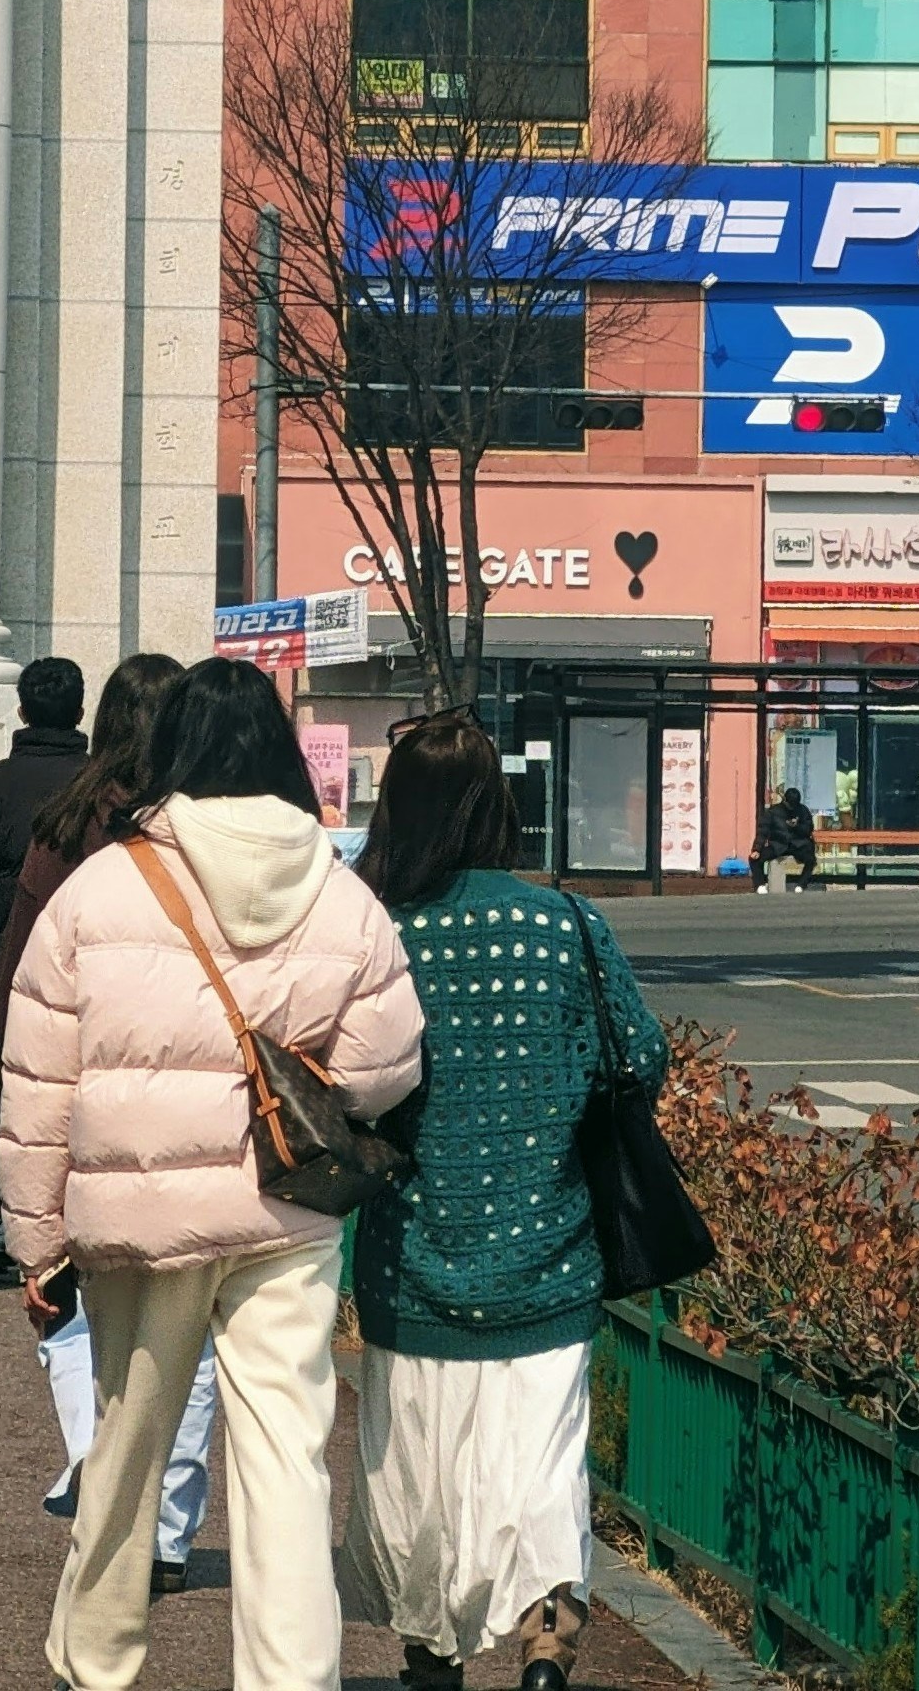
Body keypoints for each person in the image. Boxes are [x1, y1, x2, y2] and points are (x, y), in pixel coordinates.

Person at [1, 657, 424, 1691]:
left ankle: (97, 1656)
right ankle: (289, 1676)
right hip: (287, 1209)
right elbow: (387, 1060)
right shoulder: (337, 886)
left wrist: (36, 1238)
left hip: (141, 1219)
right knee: (285, 1454)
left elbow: (37, 1075)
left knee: (129, 1437)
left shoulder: (108, 881)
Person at [345, 716, 669, 1691]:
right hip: (549, 1251)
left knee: (421, 1470)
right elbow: (639, 1057)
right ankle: (542, 1642)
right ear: (500, 809)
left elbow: (338, 1078)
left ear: (394, 806)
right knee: (537, 1465)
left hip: (412, 1254)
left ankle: (431, 1651)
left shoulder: (375, 931)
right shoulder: (563, 923)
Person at [0, 650, 216, 1598]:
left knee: (67, 1301)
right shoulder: (212, 838)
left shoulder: (63, 832)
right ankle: (164, 1529)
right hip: (193, 1112)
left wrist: (3, 1107)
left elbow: (14, 987)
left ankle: (93, 1453)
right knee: (184, 1326)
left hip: (77, 1106)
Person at [0, 652, 89, 1274]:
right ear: (81, 710)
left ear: (21, 710)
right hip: (97, 967)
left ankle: (4, 1215)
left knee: (9, 1089)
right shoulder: (104, 788)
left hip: (9, 963)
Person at [755, 786, 817, 895]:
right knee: (755, 859)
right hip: (778, 845)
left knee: (810, 859)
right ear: (785, 800)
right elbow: (763, 831)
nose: (792, 808)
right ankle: (760, 885)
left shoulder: (803, 810)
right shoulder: (774, 812)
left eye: (795, 805)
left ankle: (801, 884)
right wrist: (757, 849)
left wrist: (797, 826)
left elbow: (808, 829)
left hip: (797, 845)